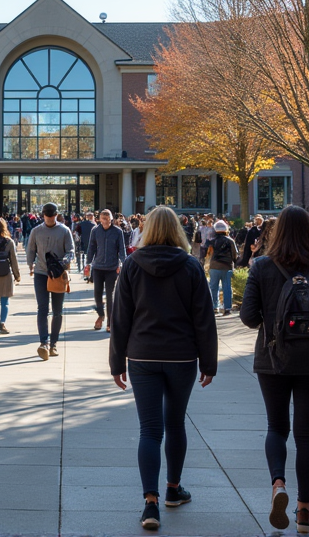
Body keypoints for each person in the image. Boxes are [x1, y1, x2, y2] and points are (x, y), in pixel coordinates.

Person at [109, 206, 218, 531]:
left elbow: (120, 318)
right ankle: (173, 488)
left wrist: (117, 362)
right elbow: (204, 318)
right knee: (175, 424)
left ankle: (150, 503)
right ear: (177, 230)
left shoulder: (131, 266)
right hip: (181, 356)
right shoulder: (190, 266)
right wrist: (209, 362)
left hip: (142, 356)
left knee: (149, 430)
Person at [240, 205, 309, 534]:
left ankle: (278, 484)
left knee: (276, 427)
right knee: (306, 435)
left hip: (272, 358)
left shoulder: (261, 267)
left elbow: (247, 317)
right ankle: (303, 510)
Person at [26, 202, 74, 360]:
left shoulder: (64, 230)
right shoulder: (36, 231)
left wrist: (65, 260)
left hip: (58, 273)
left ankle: (54, 343)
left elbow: (71, 250)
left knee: (57, 310)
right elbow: (31, 249)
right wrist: (30, 264)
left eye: (52, 216)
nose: (50, 219)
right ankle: (44, 343)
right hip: (41, 273)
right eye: (47, 216)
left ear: (56, 215)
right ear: (43, 216)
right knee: (42, 308)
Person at [87, 209, 127, 332]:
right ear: (99, 219)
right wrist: (88, 264)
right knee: (97, 294)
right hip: (98, 267)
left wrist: (123, 264)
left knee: (110, 296)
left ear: (111, 219)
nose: (105, 221)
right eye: (103, 218)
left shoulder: (117, 232)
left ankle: (110, 322)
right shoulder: (95, 231)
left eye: (107, 218)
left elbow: (122, 249)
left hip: (111, 268)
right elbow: (91, 248)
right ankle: (101, 315)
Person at [205, 221, 238, 316]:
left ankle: (214, 307)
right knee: (227, 287)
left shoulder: (212, 240)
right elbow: (234, 254)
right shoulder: (230, 241)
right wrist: (235, 263)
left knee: (213, 287)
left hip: (214, 266)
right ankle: (227, 308)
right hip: (227, 266)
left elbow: (208, 254)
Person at [74, 211, 96, 280]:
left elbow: (77, 233)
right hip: (92, 243)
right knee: (91, 258)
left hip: (83, 242)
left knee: (83, 258)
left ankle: (85, 272)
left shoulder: (81, 224)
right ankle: (91, 273)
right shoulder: (94, 225)